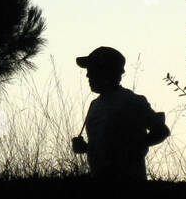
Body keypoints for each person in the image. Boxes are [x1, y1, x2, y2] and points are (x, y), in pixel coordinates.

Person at [71, 47, 170, 181]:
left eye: (92, 70)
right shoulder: (94, 105)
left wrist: (132, 149)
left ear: (107, 72)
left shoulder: (130, 101)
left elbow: (161, 130)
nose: (87, 75)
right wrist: (86, 148)